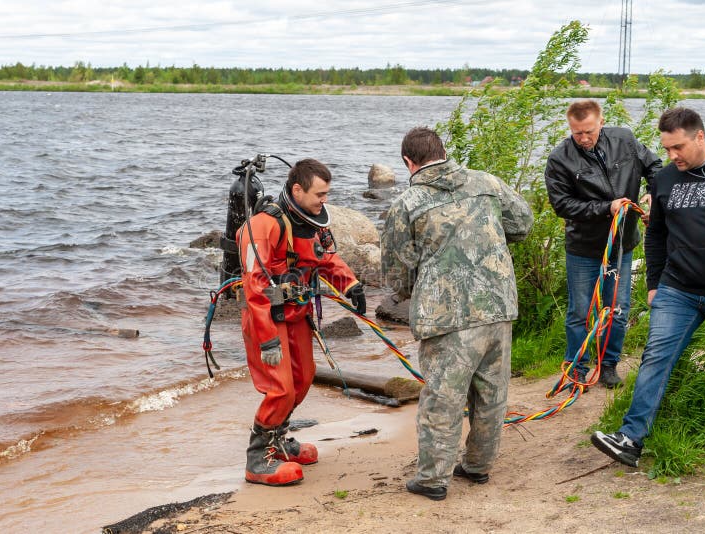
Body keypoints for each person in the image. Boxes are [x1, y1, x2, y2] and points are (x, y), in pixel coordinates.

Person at [591, 107, 705, 467]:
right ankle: (630, 438)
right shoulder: (664, 180)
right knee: (656, 357)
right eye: (666, 149)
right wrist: (653, 283)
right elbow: (657, 236)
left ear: (699, 136)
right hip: (677, 290)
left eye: (678, 147)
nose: (672, 156)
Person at [381, 127, 534, 500]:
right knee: (491, 392)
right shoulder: (487, 182)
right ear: (443, 151)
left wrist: (409, 291)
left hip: (446, 315)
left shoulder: (407, 202)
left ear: (408, 162)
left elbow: (396, 272)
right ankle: (478, 466)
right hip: (498, 305)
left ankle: (433, 479)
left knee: (442, 397)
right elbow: (522, 223)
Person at [237, 158, 366, 486]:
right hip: (266, 316)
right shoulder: (264, 226)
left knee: (304, 377)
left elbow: (325, 258)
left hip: (296, 312)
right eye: (320, 194)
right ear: (297, 189)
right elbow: (254, 286)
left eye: (326, 193)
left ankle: (277, 439)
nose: (325, 200)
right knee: (280, 389)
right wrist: (267, 339)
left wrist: (350, 284)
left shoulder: (313, 223)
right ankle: (257, 459)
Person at [545, 99, 662, 388]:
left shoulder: (625, 139)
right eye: (577, 133)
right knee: (580, 311)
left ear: (601, 122)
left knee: (617, 307)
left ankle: (608, 364)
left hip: (622, 245)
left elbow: (656, 167)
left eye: (589, 131)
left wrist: (652, 194)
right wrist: (604, 208)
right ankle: (576, 368)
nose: (584, 139)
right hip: (583, 248)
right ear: (570, 127)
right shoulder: (559, 158)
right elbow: (562, 205)